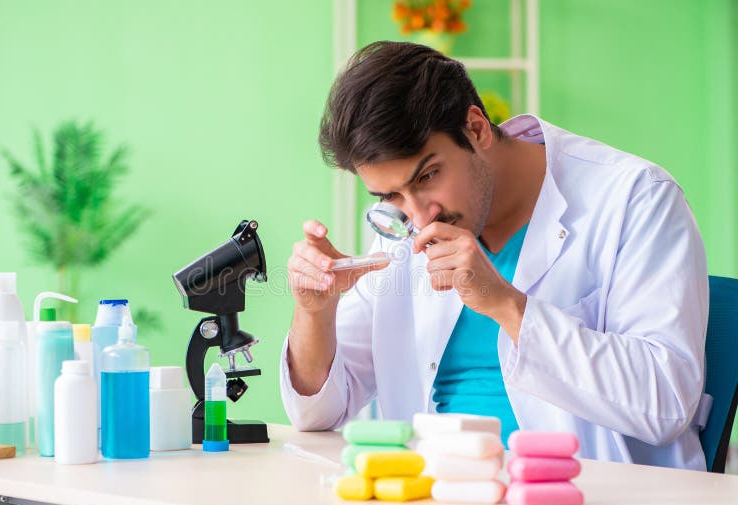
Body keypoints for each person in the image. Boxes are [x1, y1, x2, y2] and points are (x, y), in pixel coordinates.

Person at [281, 41, 711, 470]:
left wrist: (507, 305)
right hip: (437, 498)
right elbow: (317, 412)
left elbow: (666, 403)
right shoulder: (405, 226)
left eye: (428, 175)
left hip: (583, 502)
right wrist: (314, 312)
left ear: (476, 128)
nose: (419, 214)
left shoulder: (636, 199)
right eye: (391, 194)